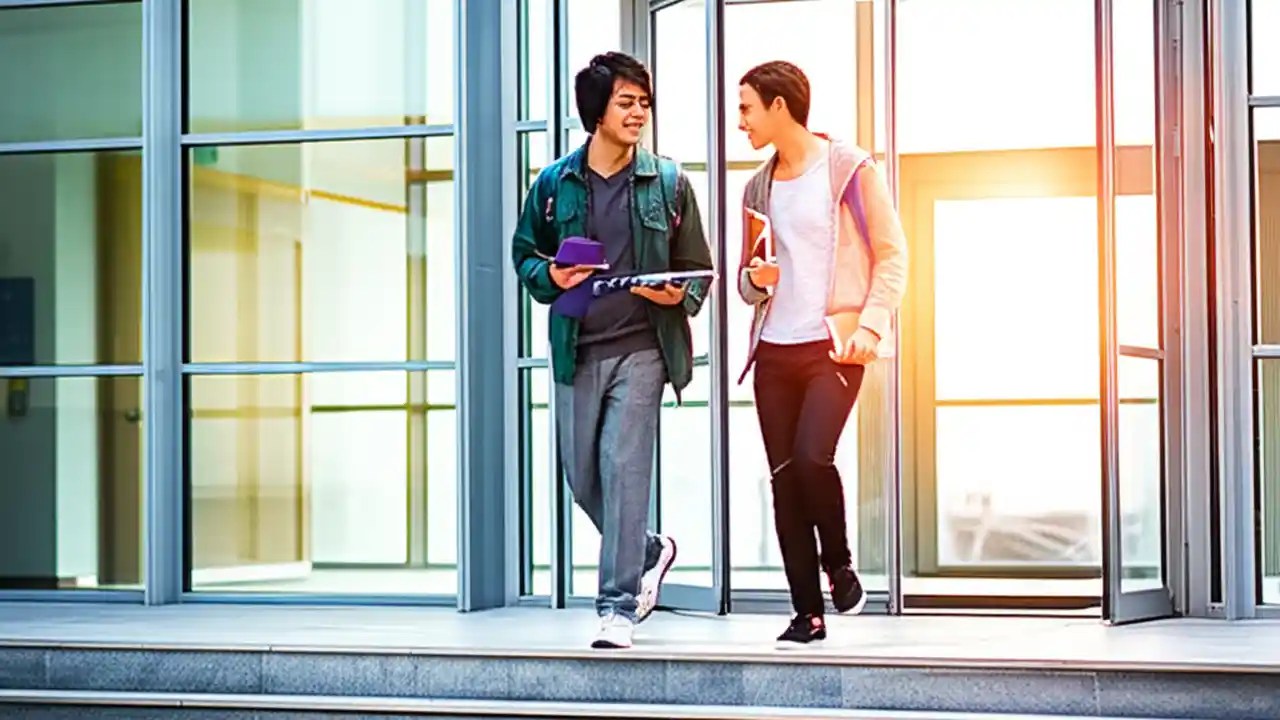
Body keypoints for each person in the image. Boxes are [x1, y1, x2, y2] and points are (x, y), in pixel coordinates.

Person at [511, 51, 714, 649]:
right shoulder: (553, 184)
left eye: (644, 103)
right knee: (582, 477)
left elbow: (698, 268)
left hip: (642, 347)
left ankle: (617, 608)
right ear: (595, 111)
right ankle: (649, 548)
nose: (638, 114)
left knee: (625, 470)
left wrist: (677, 293)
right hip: (578, 345)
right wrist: (554, 277)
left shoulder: (669, 181)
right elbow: (525, 254)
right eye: (626, 102)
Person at [735, 61, 908, 645]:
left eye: (747, 109)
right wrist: (757, 280)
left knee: (812, 457)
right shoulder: (756, 187)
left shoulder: (849, 169)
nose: (742, 122)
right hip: (775, 353)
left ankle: (837, 561)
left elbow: (892, 255)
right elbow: (745, 281)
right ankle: (806, 614)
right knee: (785, 480)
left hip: (832, 347)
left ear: (779, 106)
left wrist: (873, 327)